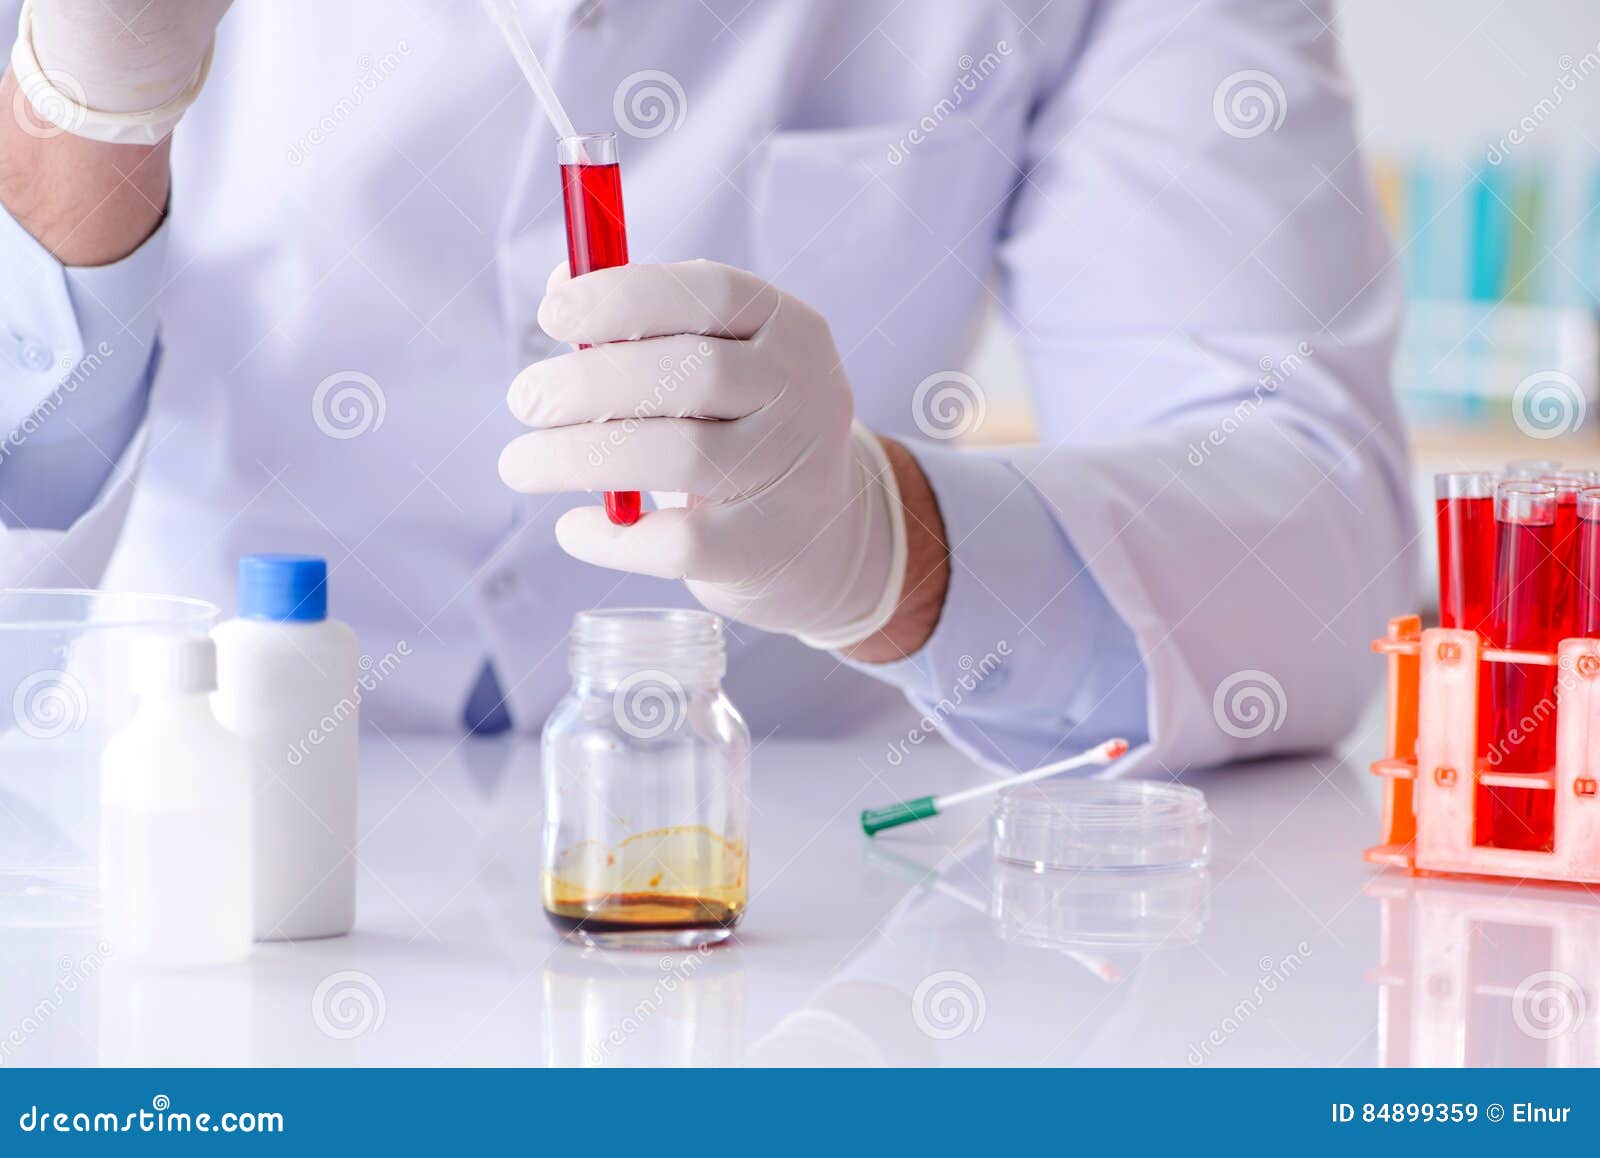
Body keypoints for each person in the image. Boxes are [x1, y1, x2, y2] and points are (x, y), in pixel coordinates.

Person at [0, 0, 1413, 771]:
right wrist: (81, 140)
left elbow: (1320, 543)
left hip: (781, 913)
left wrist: (892, 546)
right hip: (172, 844)